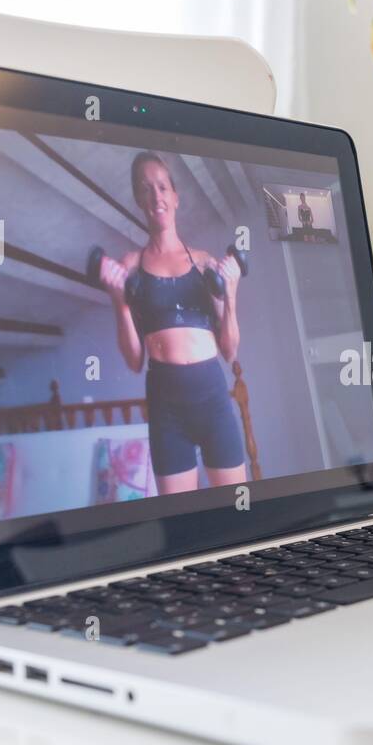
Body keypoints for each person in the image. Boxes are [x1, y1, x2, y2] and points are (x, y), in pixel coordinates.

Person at [97, 151, 247, 494]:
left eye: (163, 187)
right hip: (167, 410)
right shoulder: (131, 265)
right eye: (146, 189)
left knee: (239, 512)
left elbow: (230, 351)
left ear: (176, 197)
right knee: (184, 522)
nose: (156, 196)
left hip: (212, 399)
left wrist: (232, 293)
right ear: (139, 199)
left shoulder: (206, 263)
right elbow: (135, 361)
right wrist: (118, 302)